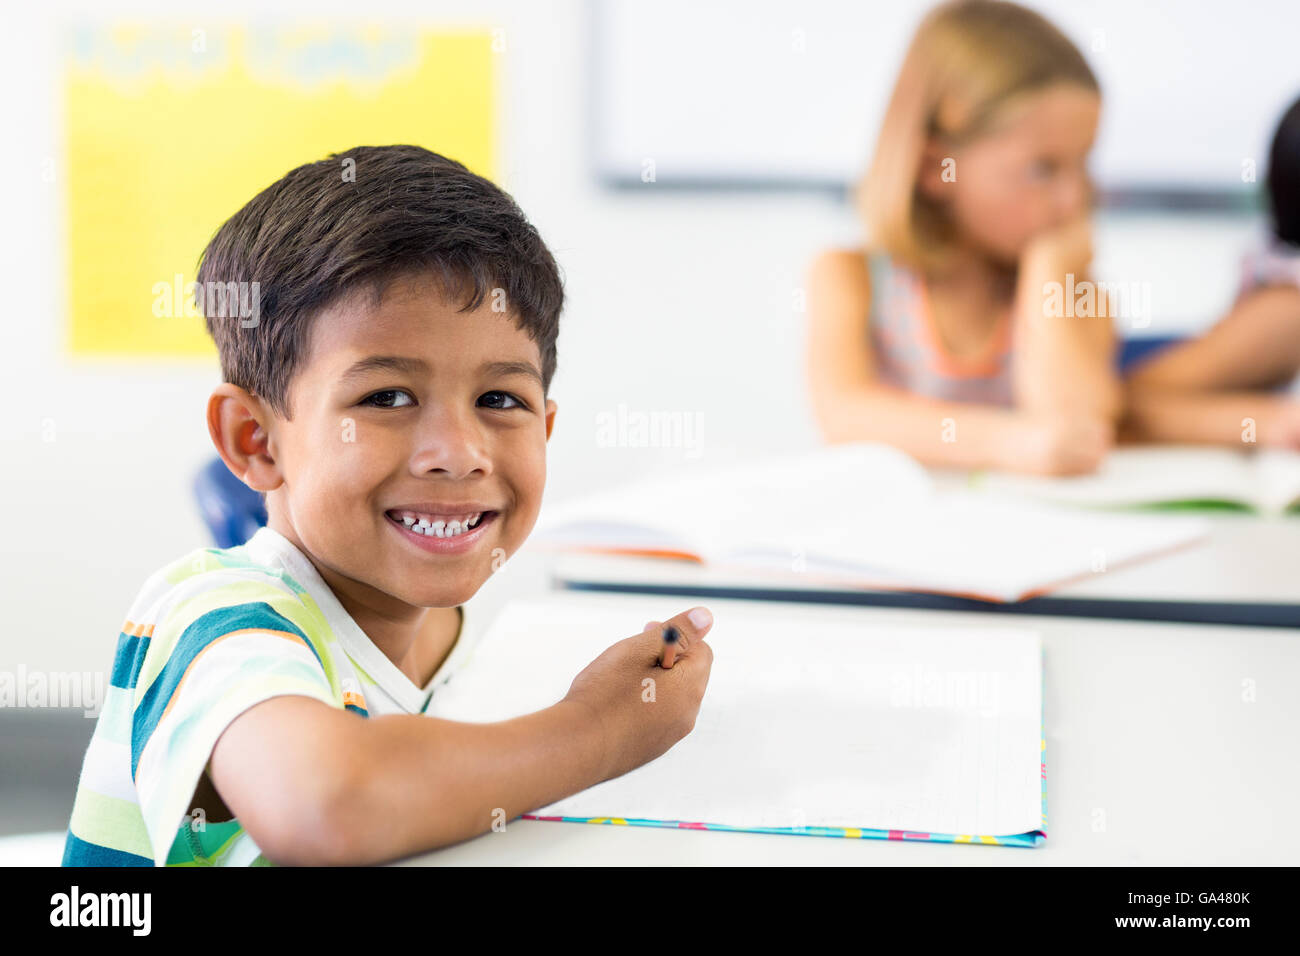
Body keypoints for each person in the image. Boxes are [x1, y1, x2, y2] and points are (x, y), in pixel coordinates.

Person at [62, 145, 714, 866]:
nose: (459, 451)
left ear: (547, 429)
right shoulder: (215, 618)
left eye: (500, 399)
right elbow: (327, 807)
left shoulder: (444, 632)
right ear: (256, 439)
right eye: (386, 398)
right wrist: (598, 727)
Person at [807, 0, 1120, 475]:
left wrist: (1047, 280)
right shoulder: (850, 278)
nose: (1073, 200)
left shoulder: (1079, 295)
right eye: (1043, 169)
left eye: (1083, 164)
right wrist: (1008, 443)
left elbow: (1080, 426)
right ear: (938, 168)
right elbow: (845, 416)